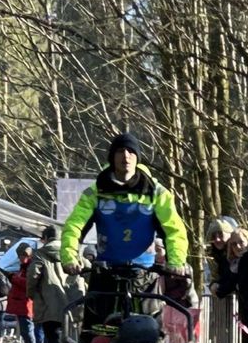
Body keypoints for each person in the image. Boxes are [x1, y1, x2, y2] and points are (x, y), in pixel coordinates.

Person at [59, 132, 190, 325]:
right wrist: (70, 256)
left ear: (137, 157)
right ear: (112, 157)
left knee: (150, 331)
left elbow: (174, 229)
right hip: (105, 276)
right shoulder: (96, 192)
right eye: (120, 151)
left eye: (131, 151)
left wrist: (176, 261)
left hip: (144, 277)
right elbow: (74, 226)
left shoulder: (156, 192)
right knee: (96, 331)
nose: (126, 156)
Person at [7, 243, 38, 343]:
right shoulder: (24, 267)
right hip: (22, 305)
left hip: (26, 305)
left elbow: (29, 284)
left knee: (28, 331)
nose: (20, 258)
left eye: (21, 255)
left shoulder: (30, 267)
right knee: (25, 332)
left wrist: (13, 278)